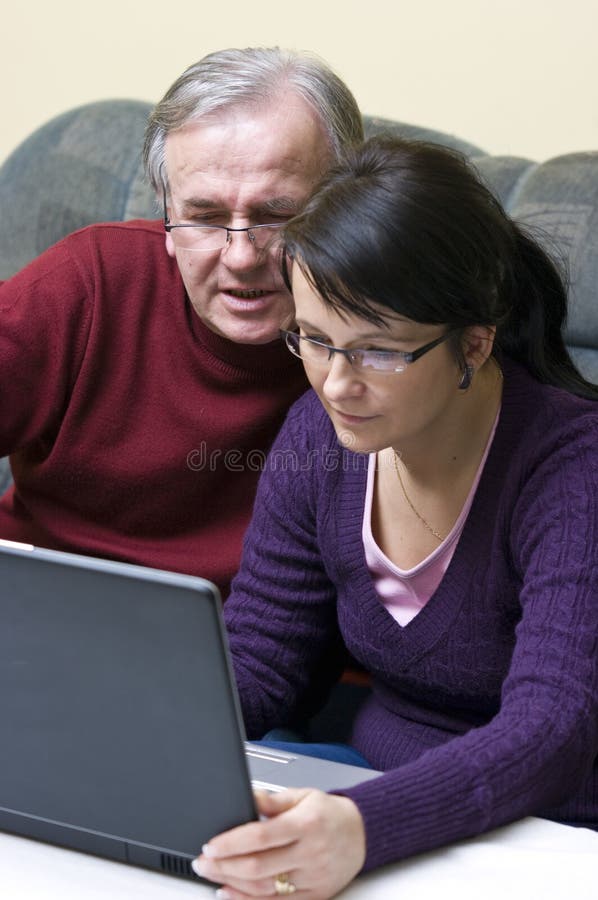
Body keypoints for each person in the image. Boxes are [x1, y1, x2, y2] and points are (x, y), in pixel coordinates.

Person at [192, 137, 598, 898]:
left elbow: (553, 729)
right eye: (312, 339)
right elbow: (263, 661)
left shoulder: (574, 470)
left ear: (473, 342)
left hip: (553, 837)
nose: (337, 384)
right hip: (370, 792)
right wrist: (126, 722)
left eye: (377, 351)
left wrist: (365, 826)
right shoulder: (320, 434)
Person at [0, 47, 363, 597]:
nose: (241, 257)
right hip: (36, 617)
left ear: (345, 208)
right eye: (205, 218)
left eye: (277, 216)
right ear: (166, 217)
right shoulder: (90, 282)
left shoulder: (387, 340)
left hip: (242, 649)